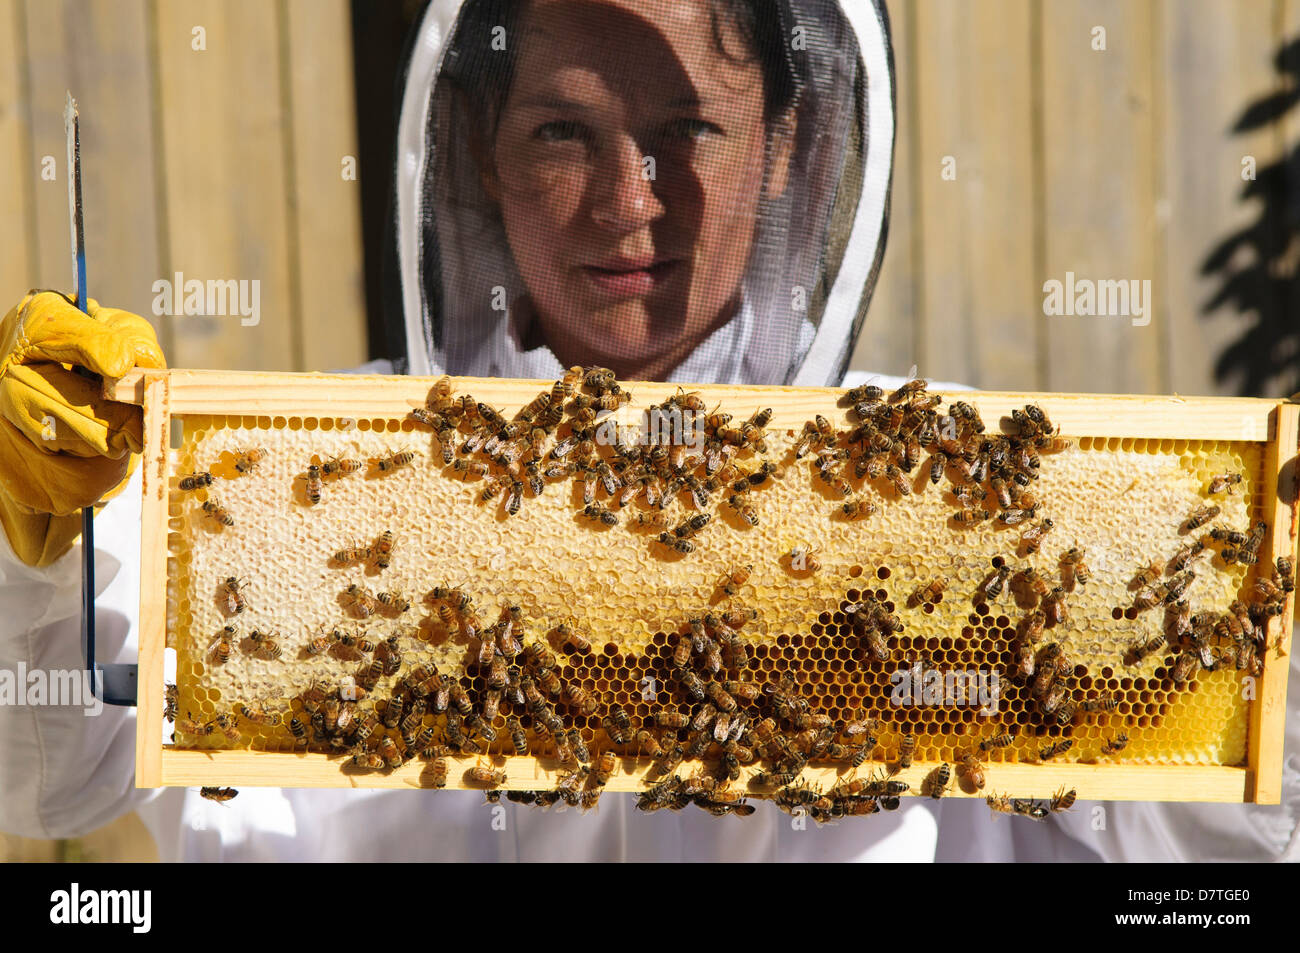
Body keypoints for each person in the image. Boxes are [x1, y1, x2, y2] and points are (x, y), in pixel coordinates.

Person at [1, 0, 932, 862]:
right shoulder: (293, 479)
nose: (628, 201)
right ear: (483, 149)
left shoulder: (943, 501)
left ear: (785, 144)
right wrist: (27, 543)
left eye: (689, 130)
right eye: (561, 132)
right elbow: (44, 777)